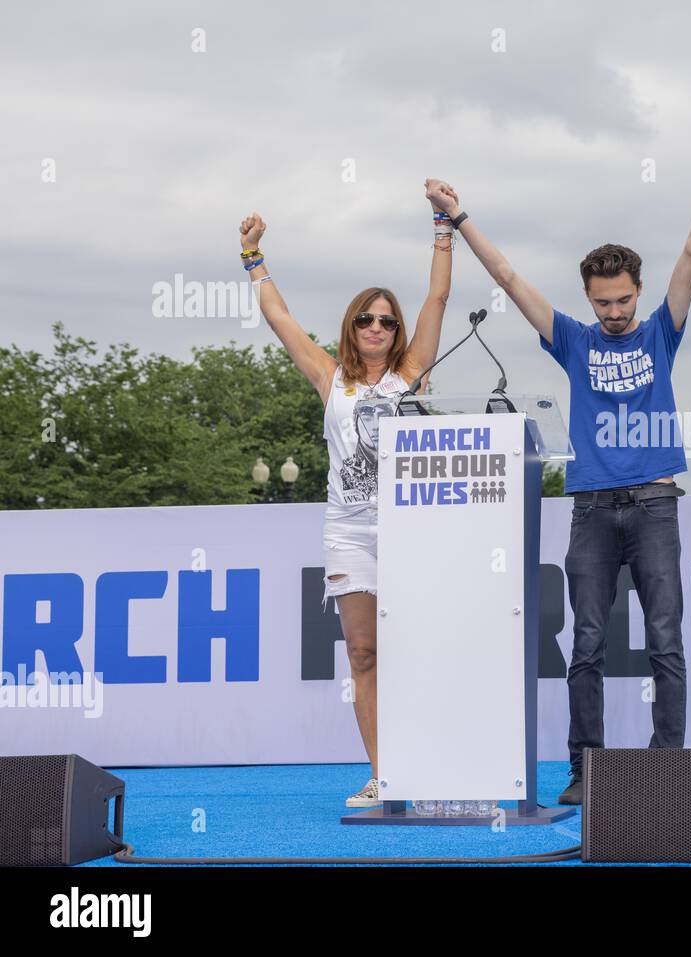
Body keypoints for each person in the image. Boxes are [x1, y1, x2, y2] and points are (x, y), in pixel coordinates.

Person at [428, 134, 691, 805]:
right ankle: (586, 768)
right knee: (588, 642)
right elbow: (509, 279)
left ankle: (666, 765)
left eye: (624, 300)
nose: (616, 313)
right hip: (592, 507)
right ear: (589, 298)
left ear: (638, 292)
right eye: (603, 302)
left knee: (665, 639)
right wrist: (457, 217)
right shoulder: (573, 339)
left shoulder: (662, 330)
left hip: (656, 503)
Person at [237, 179, 455, 807]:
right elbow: (279, 319)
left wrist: (445, 228)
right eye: (367, 318)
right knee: (364, 653)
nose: (378, 326)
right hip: (350, 530)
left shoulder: (411, 375)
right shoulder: (330, 379)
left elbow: (438, 296)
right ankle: (384, 775)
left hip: (412, 529)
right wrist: (253, 256)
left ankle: (430, 761)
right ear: (352, 325)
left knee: (417, 651)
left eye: (388, 320)